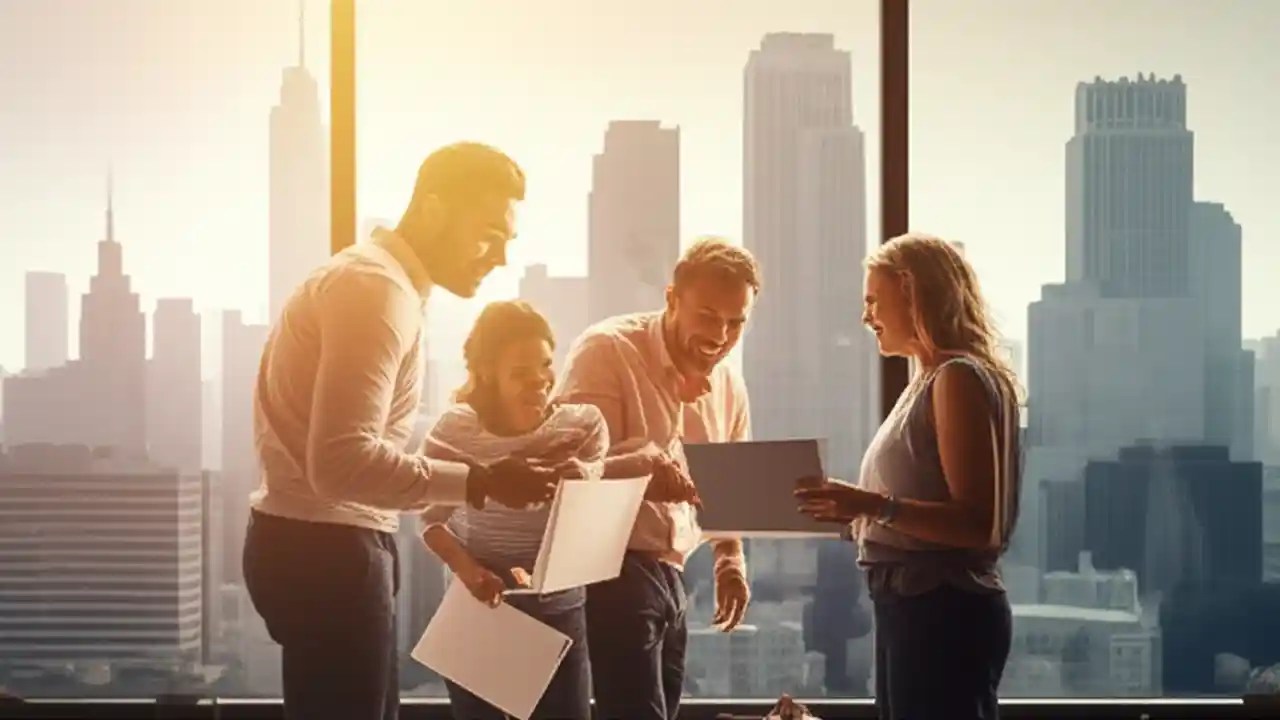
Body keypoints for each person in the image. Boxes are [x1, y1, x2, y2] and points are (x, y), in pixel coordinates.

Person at [241, 143, 562, 720]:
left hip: (311, 543)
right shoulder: (377, 292)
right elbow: (340, 462)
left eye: (508, 239)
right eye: (489, 233)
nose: (499, 257)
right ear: (434, 210)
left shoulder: (369, 280)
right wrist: (481, 482)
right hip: (330, 554)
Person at [418, 300, 699, 720]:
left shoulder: (581, 426)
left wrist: (588, 473)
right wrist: (469, 571)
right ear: (487, 374)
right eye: (520, 372)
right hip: (480, 617)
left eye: (545, 365)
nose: (538, 381)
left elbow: (622, 468)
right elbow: (429, 521)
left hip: (559, 618)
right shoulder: (455, 432)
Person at [795, 233, 1022, 720]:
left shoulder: (956, 378)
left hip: (939, 612)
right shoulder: (933, 379)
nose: (865, 316)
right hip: (917, 606)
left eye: (874, 300)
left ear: (910, 291)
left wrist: (871, 506)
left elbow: (975, 523)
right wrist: (852, 513)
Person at [554, 236, 758, 720]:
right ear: (671, 300)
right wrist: (644, 476)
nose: (721, 335)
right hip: (609, 570)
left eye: (736, 322)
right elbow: (569, 471)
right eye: (707, 316)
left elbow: (731, 483)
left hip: (671, 576)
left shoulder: (729, 382)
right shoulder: (608, 351)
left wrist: (730, 558)